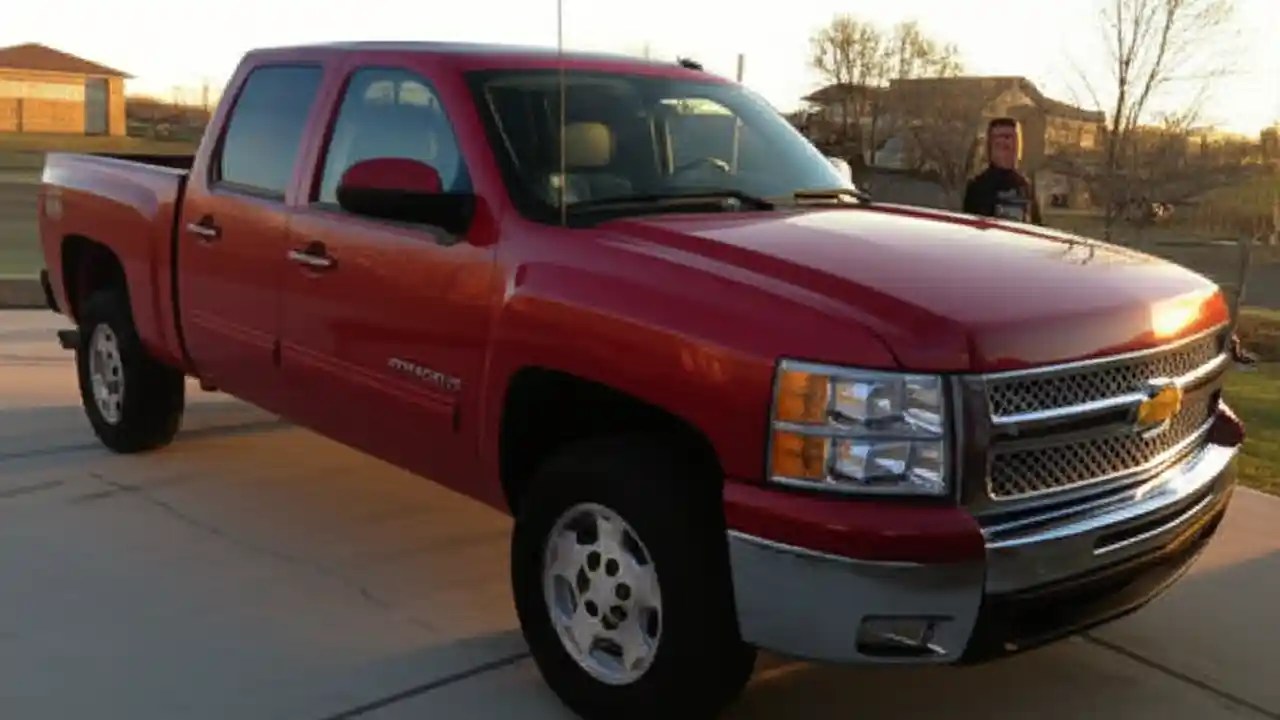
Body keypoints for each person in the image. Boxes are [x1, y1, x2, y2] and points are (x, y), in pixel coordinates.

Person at [963, 117, 1042, 225]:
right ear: (990, 144)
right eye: (997, 138)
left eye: (1008, 137)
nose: (1003, 141)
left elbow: (1036, 226)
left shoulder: (1025, 186)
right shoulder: (977, 187)